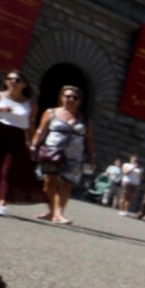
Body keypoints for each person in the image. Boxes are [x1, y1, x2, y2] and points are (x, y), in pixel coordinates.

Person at [28, 85, 92, 226]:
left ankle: (58, 213)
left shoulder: (84, 118)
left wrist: (90, 157)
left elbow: (89, 138)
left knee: (66, 184)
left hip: (75, 155)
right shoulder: (51, 112)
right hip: (52, 151)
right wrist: (33, 145)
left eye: (74, 98)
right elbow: (41, 131)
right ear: (61, 97)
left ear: (79, 101)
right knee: (48, 182)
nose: (70, 99)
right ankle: (52, 211)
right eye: (67, 96)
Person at [0, 72, 35, 216]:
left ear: (24, 84)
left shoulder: (30, 104)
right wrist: (1, 108)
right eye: (10, 79)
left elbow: (30, 125)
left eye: (17, 79)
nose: (13, 81)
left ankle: (2, 202)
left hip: (16, 136)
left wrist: (32, 143)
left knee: (8, 169)